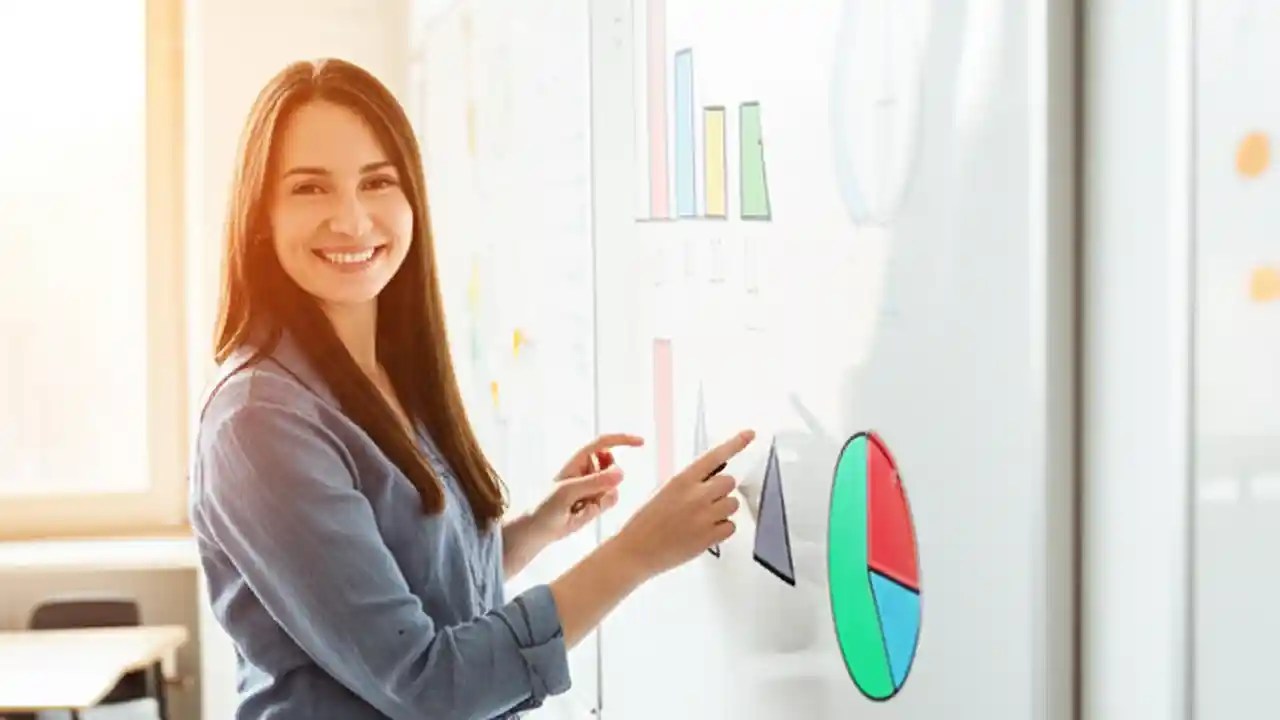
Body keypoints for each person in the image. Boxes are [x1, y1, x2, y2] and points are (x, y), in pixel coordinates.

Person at [188, 57, 754, 720]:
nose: (351, 220)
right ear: (260, 215)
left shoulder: (389, 372)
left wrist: (534, 530)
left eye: (377, 183)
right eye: (310, 189)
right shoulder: (259, 421)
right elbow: (428, 684)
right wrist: (635, 554)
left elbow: (409, 594)